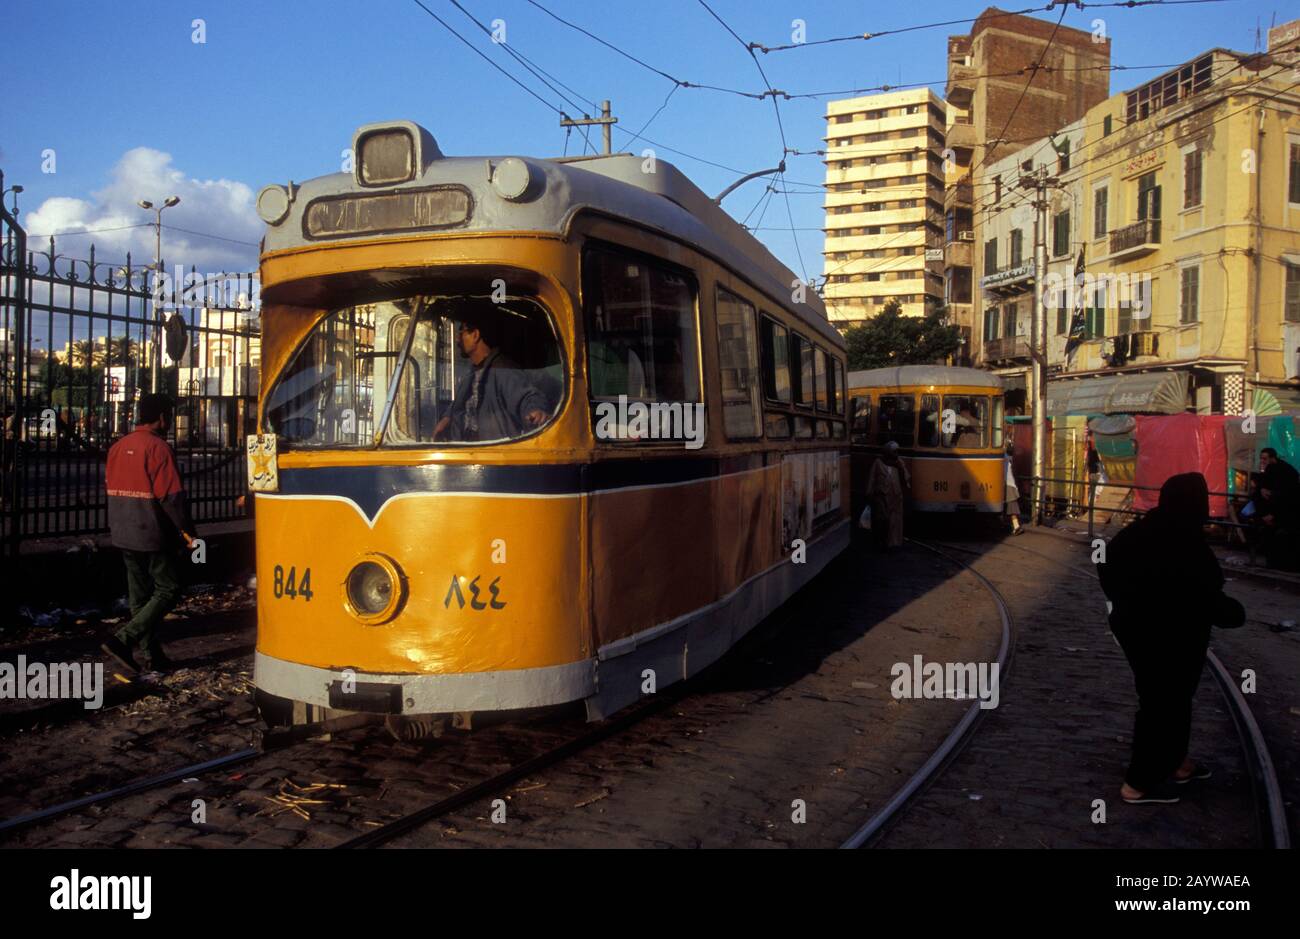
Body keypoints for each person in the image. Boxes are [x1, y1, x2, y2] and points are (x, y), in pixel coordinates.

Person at [1097, 473, 1246, 805]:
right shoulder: (1187, 544)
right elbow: (1206, 596)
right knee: (1164, 705)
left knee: (1163, 699)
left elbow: (1105, 564)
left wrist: (1125, 602)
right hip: (1173, 640)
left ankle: (1179, 763)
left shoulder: (1138, 531)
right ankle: (1138, 783)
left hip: (1134, 631)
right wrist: (1235, 613)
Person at [100, 393, 195, 675]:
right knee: (169, 588)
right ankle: (122, 640)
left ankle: (153, 657)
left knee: (139, 598)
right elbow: (172, 499)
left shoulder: (118, 447)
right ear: (163, 417)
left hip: (123, 531)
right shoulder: (159, 448)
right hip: (151, 533)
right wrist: (191, 535)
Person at [433, 316, 548, 442]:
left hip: (492, 454)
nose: (457, 338)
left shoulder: (503, 370)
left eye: (461, 332)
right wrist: (447, 418)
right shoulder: (472, 373)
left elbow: (528, 396)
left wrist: (536, 410)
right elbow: (462, 404)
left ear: (475, 335)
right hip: (467, 452)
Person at [865, 440, 910, 549]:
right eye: (894, 451)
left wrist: (901, 469)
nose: (896, 454)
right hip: (881, 496)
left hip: (896, 497)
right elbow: (872, 478)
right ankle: (882, 543)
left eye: (897, 452)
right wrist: (869, 493)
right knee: (882, 520)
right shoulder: (878, 462)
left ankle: (894, 543)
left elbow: (906, 478)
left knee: (896, 521)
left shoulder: (899, 462)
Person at [1003, 440, 1023, 535]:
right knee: (1011, 508)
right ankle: (1015, 526)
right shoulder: (1007, 458)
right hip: (1010, 485)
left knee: (1011, 508)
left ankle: (1017, 526)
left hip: (1009, 485)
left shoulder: (1004, 458)